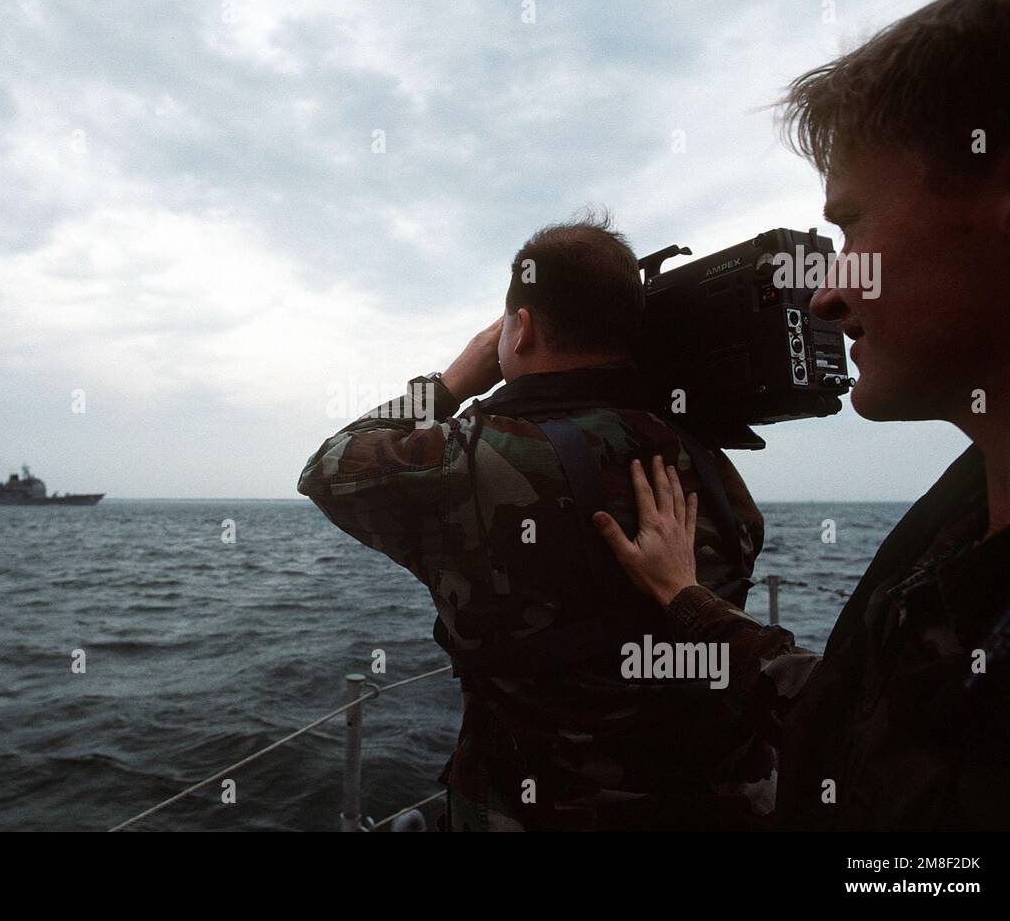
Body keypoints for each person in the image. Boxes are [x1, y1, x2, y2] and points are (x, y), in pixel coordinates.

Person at [592, 0, 1010, 830]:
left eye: (852, 227)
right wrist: (685, 598)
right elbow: (852, 719)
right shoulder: (958, 541)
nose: (825, 297)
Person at [298, 213, 776, 830]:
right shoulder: (708, 462)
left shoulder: (465, 462)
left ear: (519, 329)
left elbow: (329, 467)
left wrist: (450, 383)